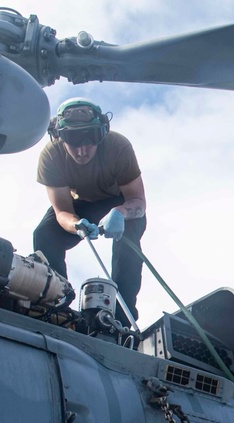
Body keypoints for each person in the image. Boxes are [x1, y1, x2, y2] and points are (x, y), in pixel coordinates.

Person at [33, 98, 146, 323]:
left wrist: (121, 213)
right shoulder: (51, 156)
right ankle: (57, 305)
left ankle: (121, 318)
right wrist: (75, 224)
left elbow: (138, 201)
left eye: (90, 140)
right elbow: (62, 211)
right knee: (44, 235)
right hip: (81, 204)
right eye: (73, 141)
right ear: (60, 137)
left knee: (129, 241)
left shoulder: (119, 147)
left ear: (102, 134)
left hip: (118, 201)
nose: (82, 151)